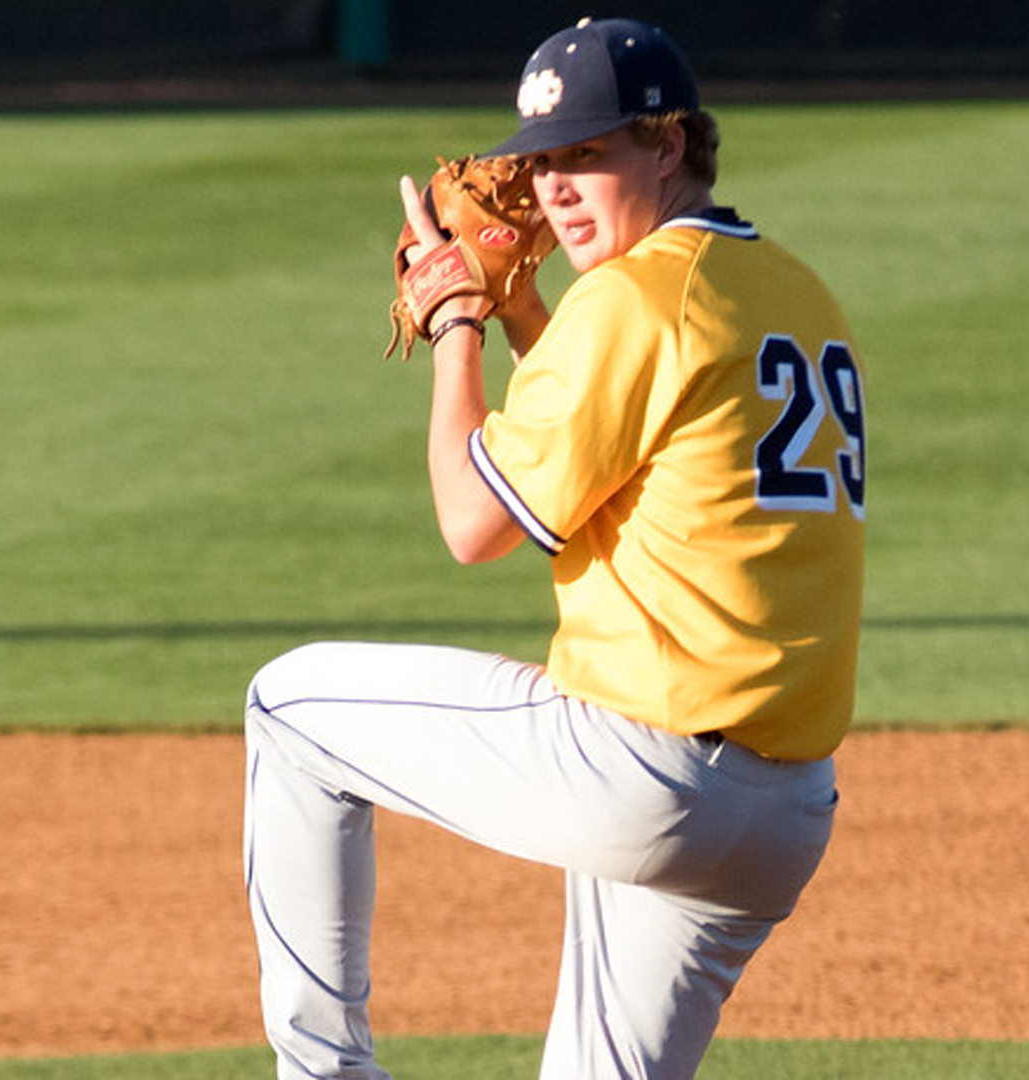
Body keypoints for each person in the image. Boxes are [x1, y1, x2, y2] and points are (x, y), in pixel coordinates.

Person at [242, 17, 867, 1079]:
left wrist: (456, 324)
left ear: (668, 144)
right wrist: (526, 305)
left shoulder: (628, 300)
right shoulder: (795, 292)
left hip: (642, 772)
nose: (553, 190)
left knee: (290, 710)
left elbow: (472, 523)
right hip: (782, 816)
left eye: (588, 154)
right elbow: (621, 446)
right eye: (541, 164)